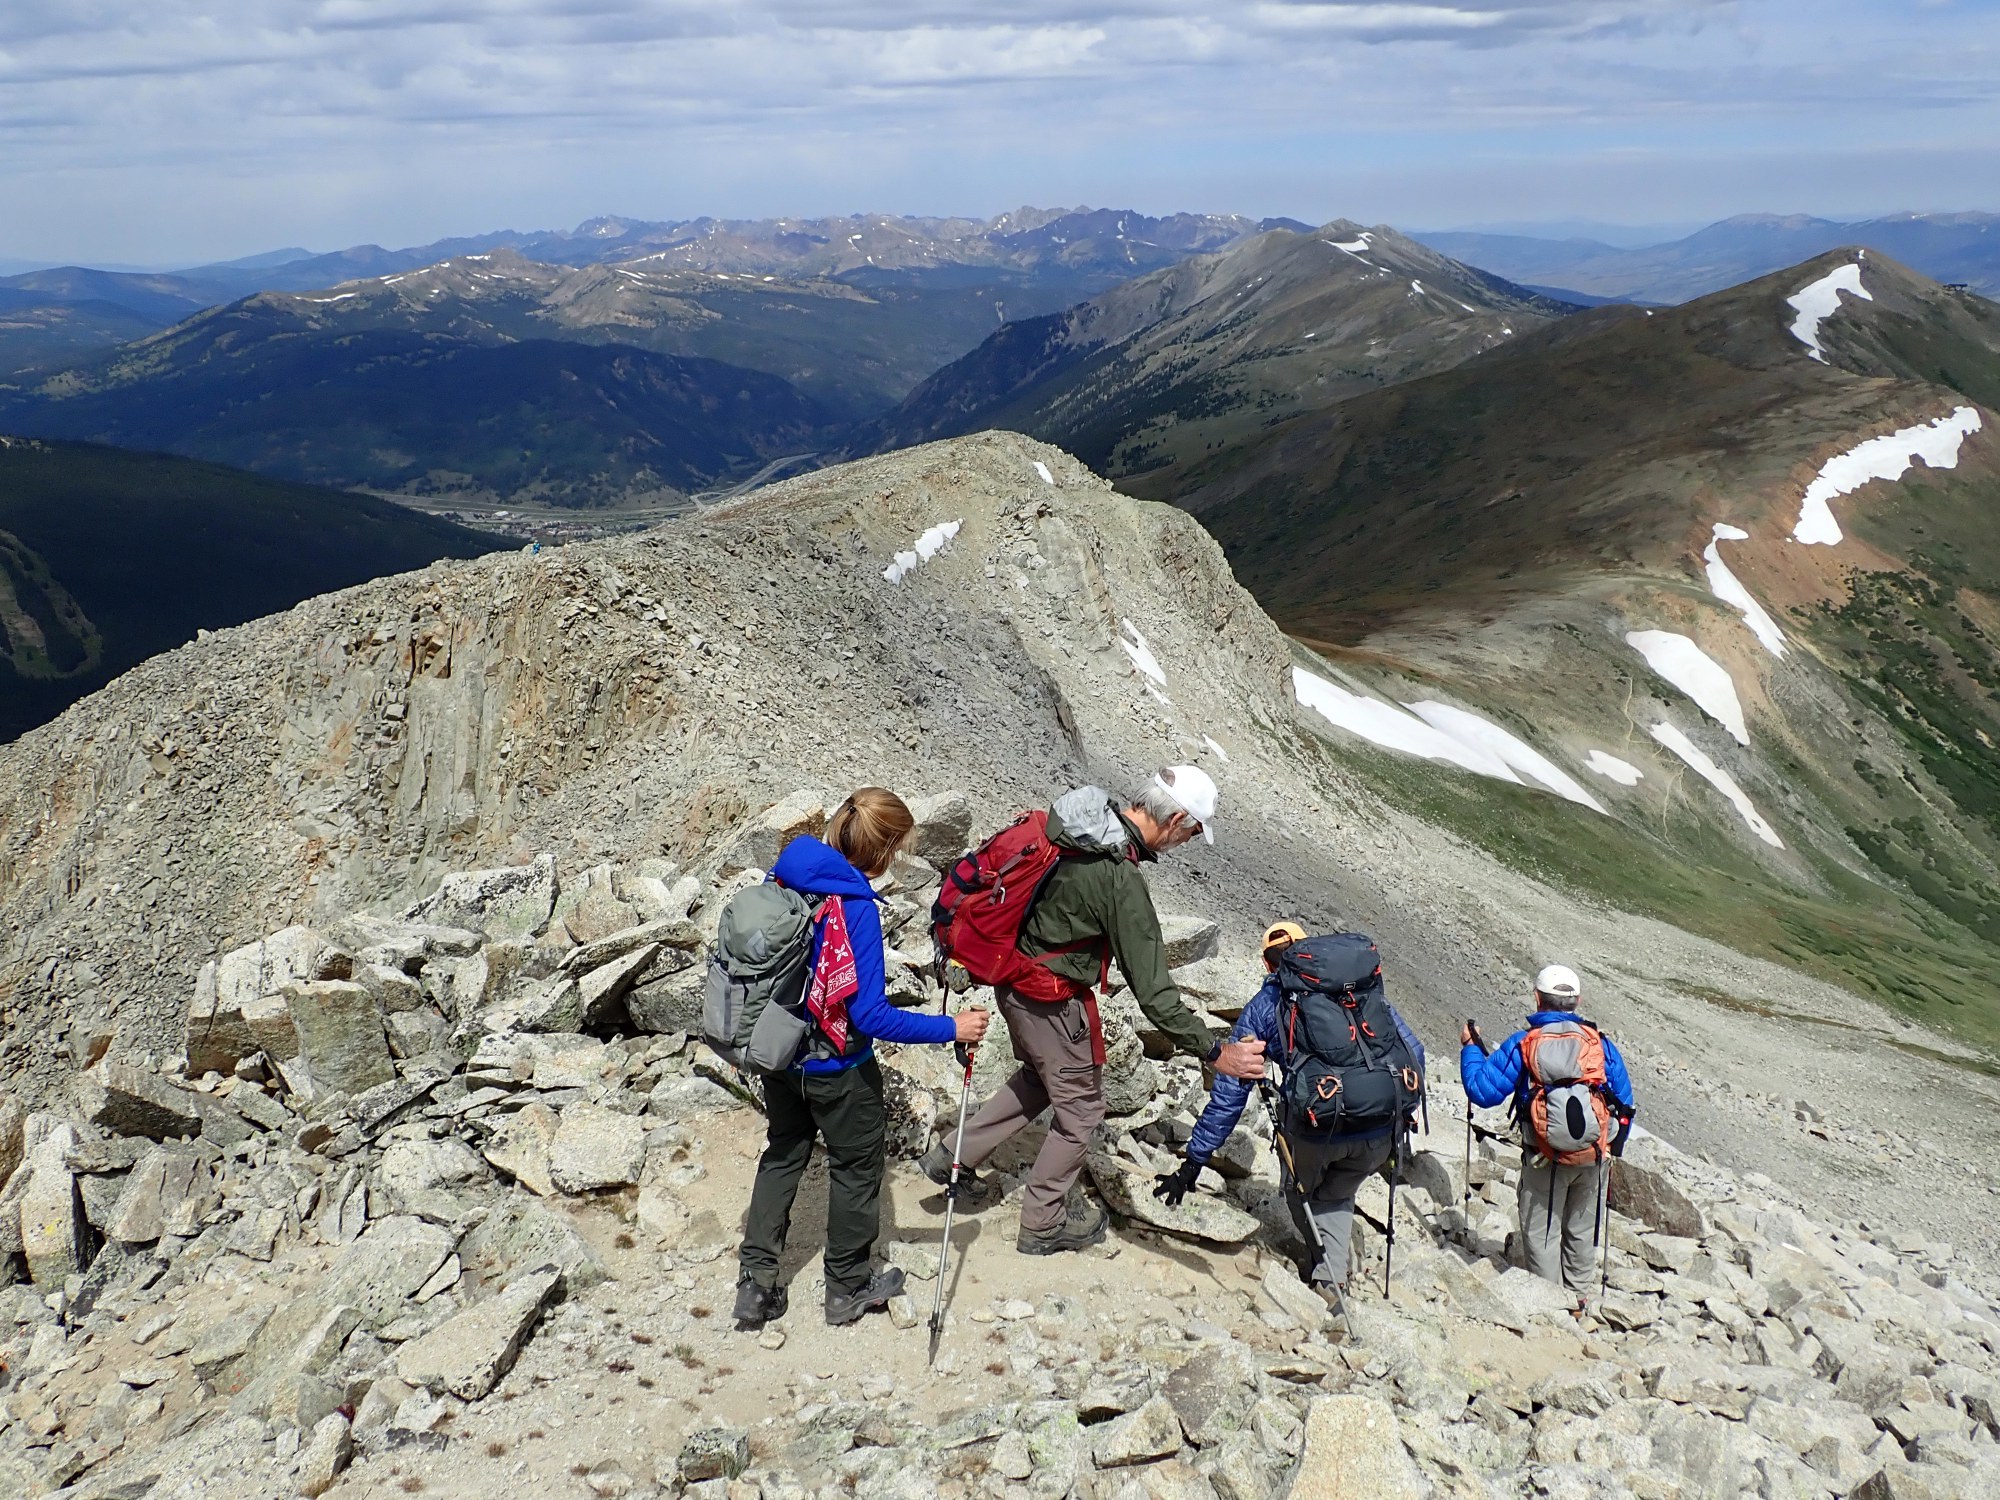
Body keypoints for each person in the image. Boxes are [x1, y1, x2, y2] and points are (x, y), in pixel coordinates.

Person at [919, 768, 1267, 1256]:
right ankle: (1043, 1223)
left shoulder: (1076, 827)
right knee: (1082, 1111)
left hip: (1014, 984)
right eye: (1191, 833)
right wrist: (1215, 1052)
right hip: (1051, 1001)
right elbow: (1155, 994)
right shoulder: (1119, 876)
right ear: (1177, 820)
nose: (1186, 843)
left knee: (1041, 1080)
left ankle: (953, 1157)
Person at [734, 789, 990, 1328]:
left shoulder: (784, 878)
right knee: (856, 1165)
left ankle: (756, 1287)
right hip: (837, 1067)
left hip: (777, 1054)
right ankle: (848, 1285)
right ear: (885, 849)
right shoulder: (855, 908)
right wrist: (953, 1027)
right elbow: (869, 1015)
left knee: (783, 1153)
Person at [1153, 922, 1425, 1320]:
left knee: (1301, 1189)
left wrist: (1193, 1163)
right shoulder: (1360, 991)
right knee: (1337, 1193)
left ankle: (1327, 1277)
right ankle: (1332, 1280)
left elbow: (1233, 1089)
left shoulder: (1266, 1006)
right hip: (1381, 1128)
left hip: (1319, 1128)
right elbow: (1412, 1051)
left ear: (1268, 964)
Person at [1458, 964, 1636, 1296]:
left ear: (1537, 999)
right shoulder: (1600, 1045)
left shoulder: (1524, 1043)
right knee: (1582, 1231)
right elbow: (1625, 1105)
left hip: (1543, 1156)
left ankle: (1549, 1303)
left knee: (1542, 1232)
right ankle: (1579, 1299)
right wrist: (1612, 1148)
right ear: (1578, 1000)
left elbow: (1481, 1092)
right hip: (1593, 1156)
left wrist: (1470, 1048)